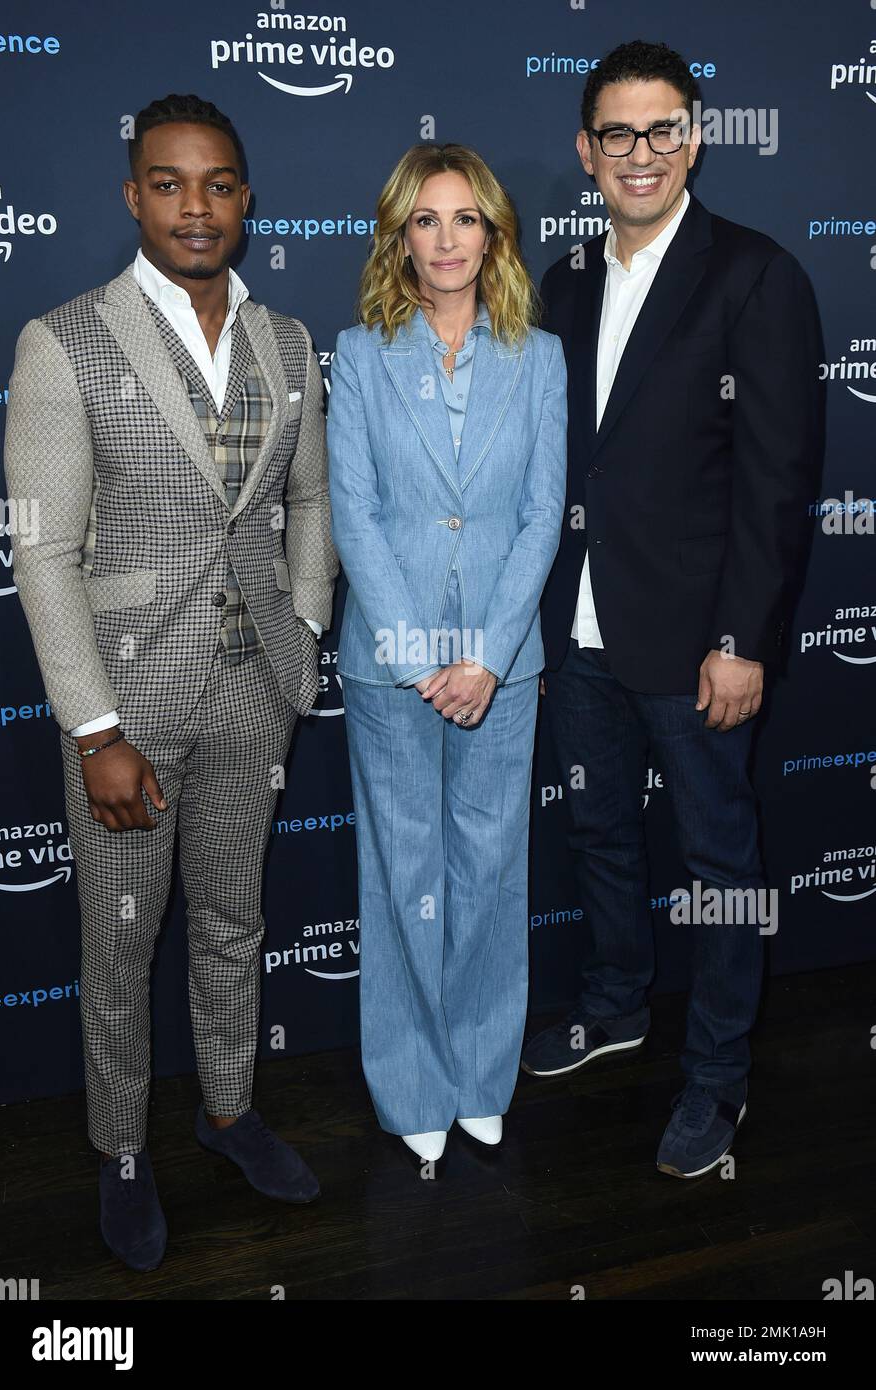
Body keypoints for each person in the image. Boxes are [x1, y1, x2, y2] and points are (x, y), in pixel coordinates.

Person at [4, 94, 338, 1269]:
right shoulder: (66, 339)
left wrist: (301, 634)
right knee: (121, 938)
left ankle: (230, 1106)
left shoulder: (290, 343)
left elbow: (309, 503)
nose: (196, 207)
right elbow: (40, 546)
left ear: (247, 198)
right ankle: (122, 1146)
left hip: (257, 694)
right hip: (127, 707)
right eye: (169, 183)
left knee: (236, 921)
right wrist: (94, 726)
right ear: (133, 195)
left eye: (219, 184)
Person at [523, 40, 826, 1177]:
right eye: (617, 134)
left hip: (698, 638)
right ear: (586, 151)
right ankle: (616, 1004)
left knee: (718, 865)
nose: (639, 154)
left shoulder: (756, 274)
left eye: (662, 131)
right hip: (582, 629)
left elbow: (777, 481)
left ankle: (718, 1076)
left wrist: (742, 640)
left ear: (695, 138)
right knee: (598, 829)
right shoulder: (565, 281)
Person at [327, 143, 567, 1164]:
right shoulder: (361, 351)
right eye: (425, 220)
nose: (447, 240)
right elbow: (356, 514)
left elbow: (539, 514)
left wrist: (486, 656)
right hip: (394, 666)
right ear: (399, 235)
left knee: (489, 866)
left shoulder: (540, 357)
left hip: (502, 667)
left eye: (466, 219)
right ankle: (412, 1078)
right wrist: (427, 653)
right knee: (402, 874)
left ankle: (479, 1068)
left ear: (494, 233)